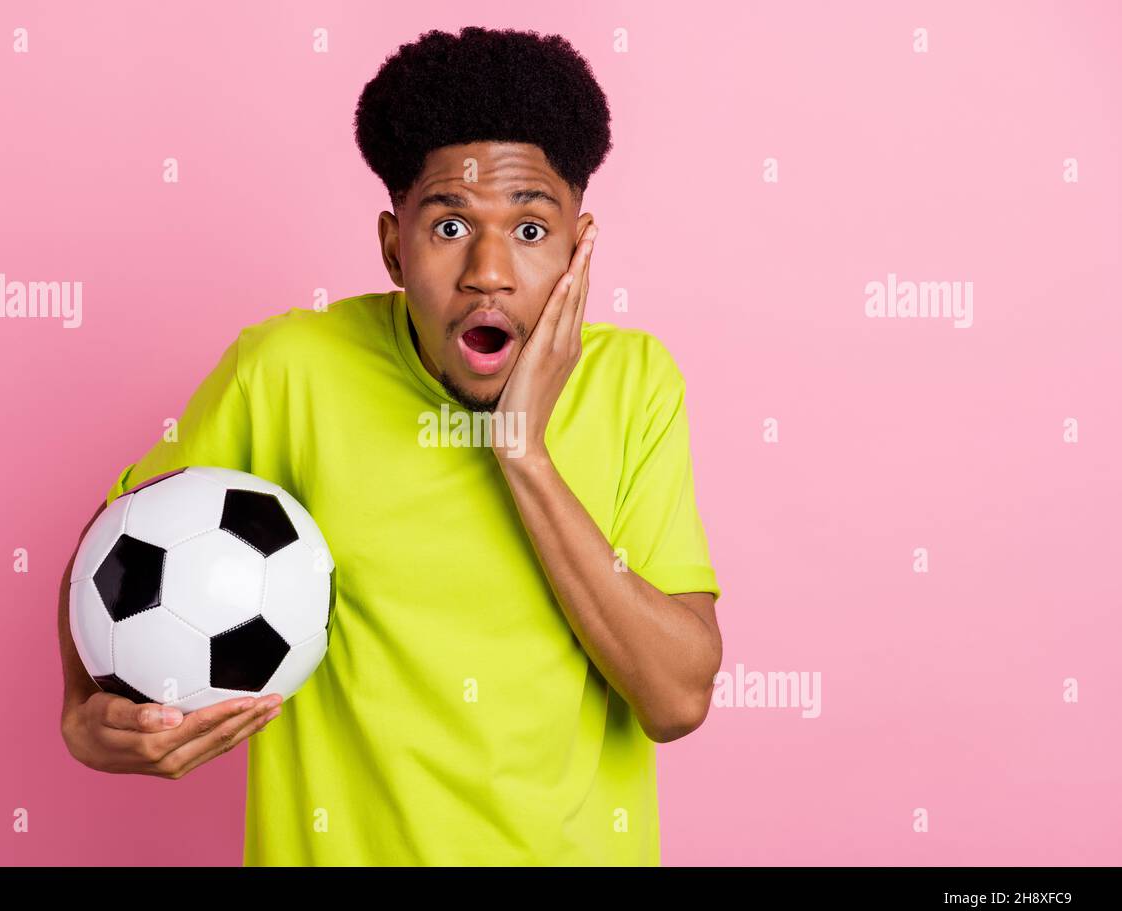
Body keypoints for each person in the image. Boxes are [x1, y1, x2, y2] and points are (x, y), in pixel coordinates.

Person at [58, 25, 723, 866]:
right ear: (392, 248)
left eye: (529, 230)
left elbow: (676, 698)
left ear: (579, 249)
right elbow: (113, 545)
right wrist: (84, 713)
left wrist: (523, 452)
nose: (488, 270)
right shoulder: (289, 372)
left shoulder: (635, 384)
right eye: (449, 228)